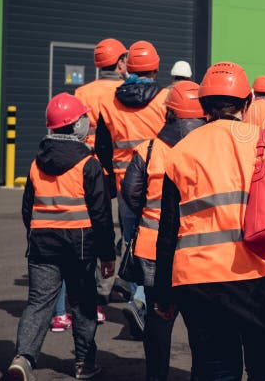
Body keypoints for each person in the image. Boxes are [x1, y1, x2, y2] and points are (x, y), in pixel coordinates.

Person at [154, 61, 265, 381]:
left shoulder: (179, 152)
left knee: (215, 370)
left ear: (203, 105)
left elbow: (168, 232)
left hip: (200, 282)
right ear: (247, 104)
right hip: (264, 277)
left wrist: (165, 293)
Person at [8, 93, 116, 381]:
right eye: (83, 118)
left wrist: (38, 235)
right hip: (80, 247)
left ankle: (23, 359)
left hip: (42, 246)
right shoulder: (89, 163)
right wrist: (107, 256)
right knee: (82, 306)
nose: (86, 122)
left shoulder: (35, 162)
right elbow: (102, 216)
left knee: (38, 304)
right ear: (75, 125)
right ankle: (84, 363)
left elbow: (27, 210)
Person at [121, 81, 206, 381]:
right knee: (200, 324)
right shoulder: (208, 149)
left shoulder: (150, 148)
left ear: (170, 112)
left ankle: (156, 376)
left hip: (152, 248)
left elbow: (130, 193)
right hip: (196, 249)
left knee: (159, 318)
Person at [97, 40, 168, 333]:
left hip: (124, 181)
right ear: (156, 67)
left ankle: (137, 293)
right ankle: (141, 300)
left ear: (129, 66)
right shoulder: (165, 99)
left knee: (131, 242)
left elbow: (103, 146)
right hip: (157, 181)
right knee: (156, 243)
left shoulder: (111, 101)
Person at [74, 38, 128, 322]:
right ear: (120, 62)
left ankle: (97, 283)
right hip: (123, 168)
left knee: (94, 223)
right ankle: (117, 281)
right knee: (126, 228)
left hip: (88, 167)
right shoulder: (125, 90)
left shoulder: (82, 91)